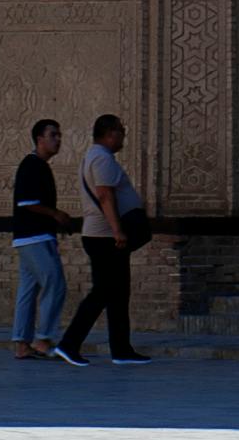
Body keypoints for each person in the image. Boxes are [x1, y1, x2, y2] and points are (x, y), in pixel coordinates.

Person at [58, 113, 149, 363]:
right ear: (110, 134)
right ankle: (69, 344)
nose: (123, 137)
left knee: (117, 293)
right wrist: (117, 230)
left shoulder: (96, 157)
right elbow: (105, 195)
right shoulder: (101, 159)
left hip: (103, 236)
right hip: (105, 237)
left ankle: (121, 349)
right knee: (104, 292)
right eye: (121, 131)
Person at [11, 119, 70, 361]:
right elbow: (27, 202)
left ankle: (21, 344)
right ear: (39, 139)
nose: (58, 140)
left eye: (59, 135)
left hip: (31, 237)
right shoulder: (32, 165)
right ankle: (43, 339)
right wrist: (55, 214)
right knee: (55, 282)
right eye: (53, 135)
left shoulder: (40, 166)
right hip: (33, 237)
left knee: (28, 289)